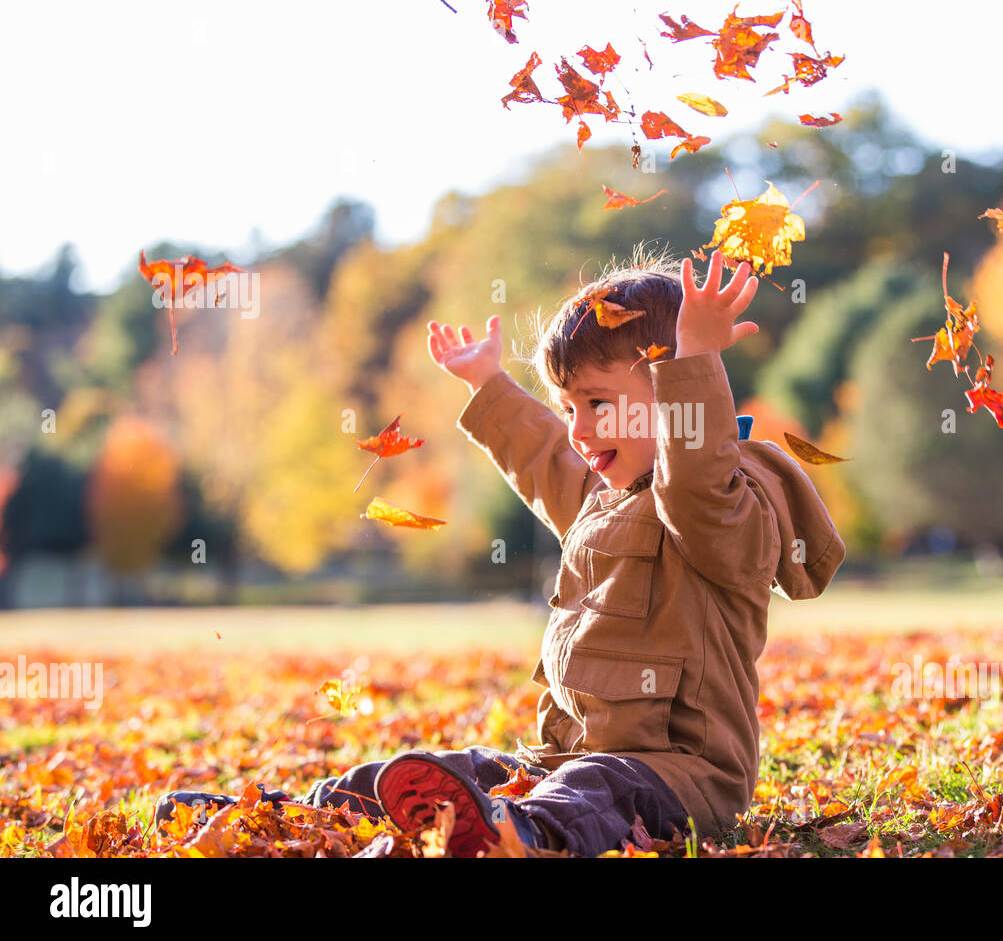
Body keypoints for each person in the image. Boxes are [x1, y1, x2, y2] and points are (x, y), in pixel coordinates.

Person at [154, 247, 846, 857]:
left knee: (591, 791)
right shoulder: (604, 497)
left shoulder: (721, 506)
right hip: (555, 759)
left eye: (598, 404)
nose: (577, 428)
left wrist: (695, 364)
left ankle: (516, 837)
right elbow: (543, 455)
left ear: (672, 397)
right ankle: (290, 820)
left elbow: (697, 480)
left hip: (676, 778)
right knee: (444, 769)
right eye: (569, 404)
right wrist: (488, 384)